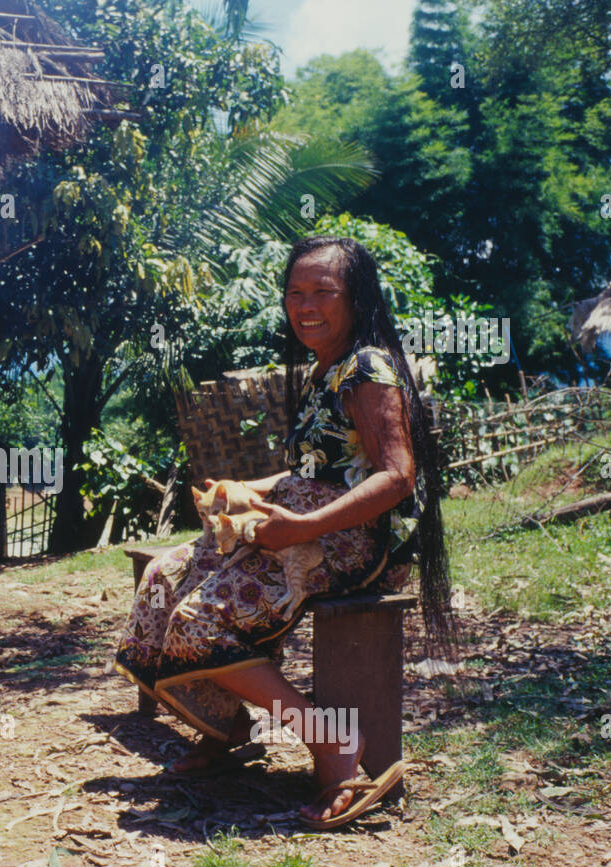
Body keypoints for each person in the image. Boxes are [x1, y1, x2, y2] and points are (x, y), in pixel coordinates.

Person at [112, 236, 457, 828]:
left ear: (357, 298)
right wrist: (246, 490)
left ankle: (330, 744)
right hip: (307, 526)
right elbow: (312, 471)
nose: (306, 305)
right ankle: (228, 728)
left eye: (324, 291)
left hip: (357, 543)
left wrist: (305, 525)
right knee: (162, 583)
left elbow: (398, 478)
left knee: (200, 623)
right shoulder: (325, 370)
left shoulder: (368, 366)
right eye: (295, 293)